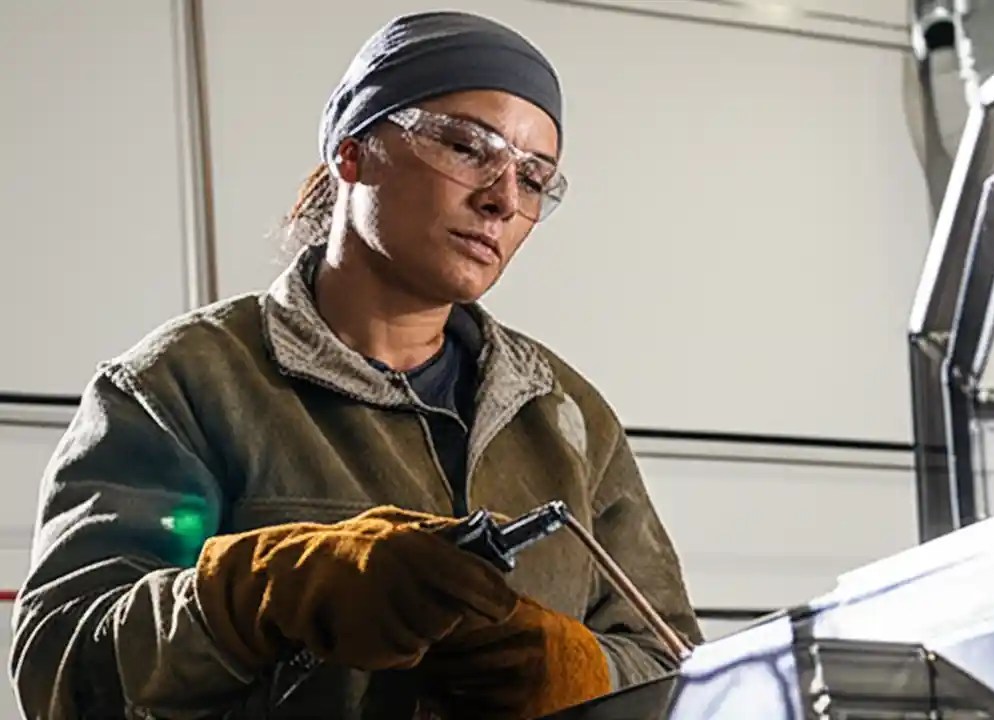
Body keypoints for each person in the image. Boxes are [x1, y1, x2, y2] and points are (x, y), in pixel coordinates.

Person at [9, 10, 702, 720]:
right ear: (352, 152)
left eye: (533, 178)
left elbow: (677, 663)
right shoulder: (184, 386)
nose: (500, 198)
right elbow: (62, 667)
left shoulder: (564, 416)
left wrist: (582, 670)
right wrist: (269, 590)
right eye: (467, 146)